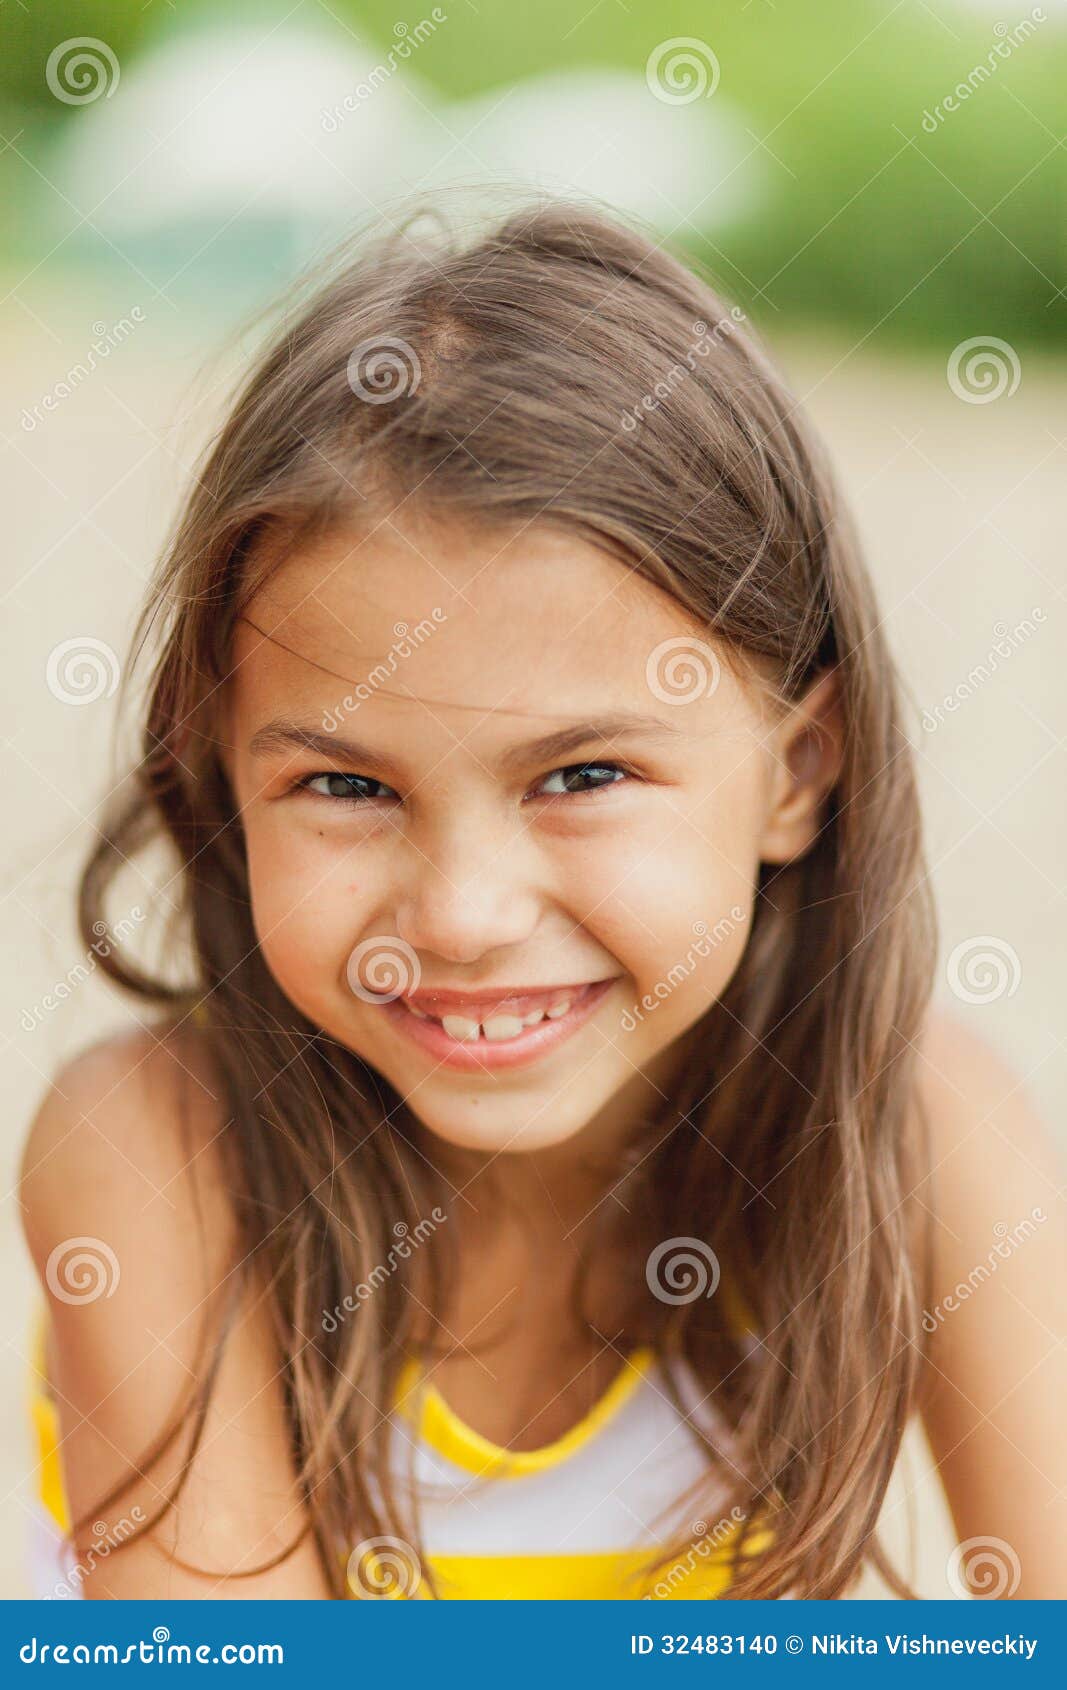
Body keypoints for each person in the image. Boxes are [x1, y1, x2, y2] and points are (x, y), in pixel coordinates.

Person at [19, 192, 1067, 1600]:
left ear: (798, 772)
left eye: (582, 775)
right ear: (221, 770)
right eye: (346, 786)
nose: (461, 915)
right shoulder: (154, 1149)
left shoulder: (924, 1129)